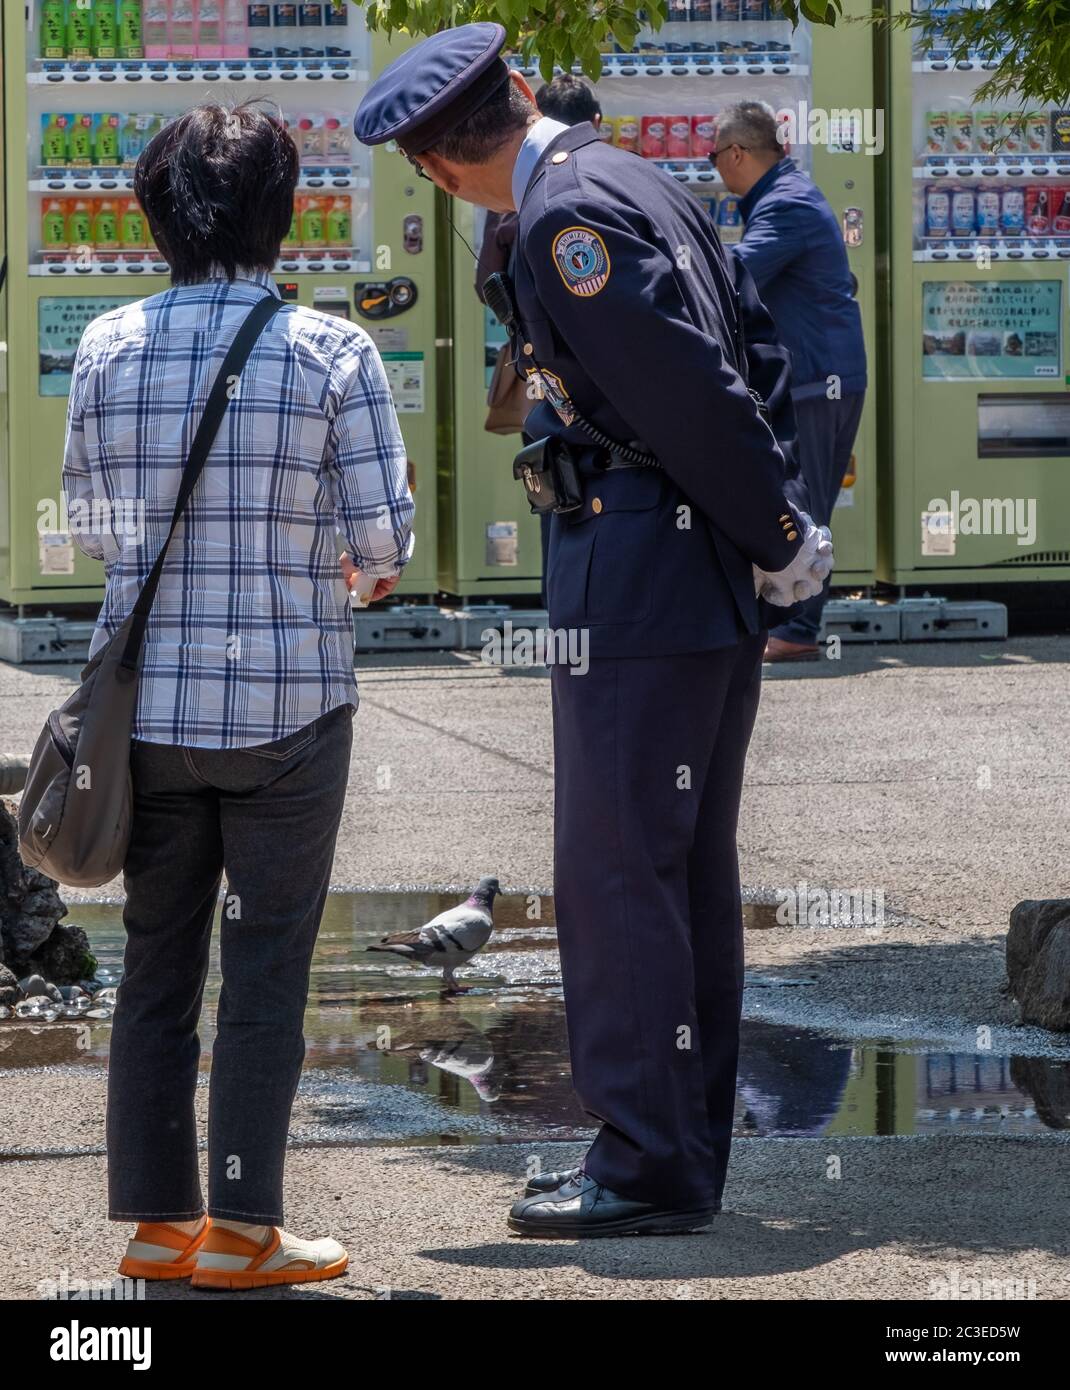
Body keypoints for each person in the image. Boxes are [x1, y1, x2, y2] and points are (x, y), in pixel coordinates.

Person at [355, 24, 831, 1237]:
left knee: (618, 873)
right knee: (679, 871)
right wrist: (775, 528)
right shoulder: (634, 178)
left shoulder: (562, 220)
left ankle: (641, 1162)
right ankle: (677, 1144)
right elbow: (757, 357)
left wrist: (774, 530)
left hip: (637, 577)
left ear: (437, 167)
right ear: (519, 91)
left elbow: (684, 390)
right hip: (696, 569)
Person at [62, 101, 414, 1288]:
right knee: (264, 969)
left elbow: (88, 530)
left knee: (155, 962)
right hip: (289, 709)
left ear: (155, 215)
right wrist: (339, 565)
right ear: (285, 213)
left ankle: (159, 1228)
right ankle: (249, 1232)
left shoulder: (107, 344)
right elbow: (381, 542)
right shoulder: (333, 352)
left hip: (143, 713)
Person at [714, 100, 867, 661]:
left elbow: (733, 277)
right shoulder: (786, 195)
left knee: (807, 499)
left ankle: (800, 630)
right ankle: (795, 620)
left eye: (713, 156)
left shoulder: (785, 205)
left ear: (736, 153)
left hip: (818, 376)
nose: (713, 168)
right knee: (804, 495)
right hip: (823, 372)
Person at [475, 74, 602, 597]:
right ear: (595, 124)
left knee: (556, 499)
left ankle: (563, 613)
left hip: (544, 389)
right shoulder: (602, 181)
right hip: (606, 389)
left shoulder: (511, 192)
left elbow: (485, 285)